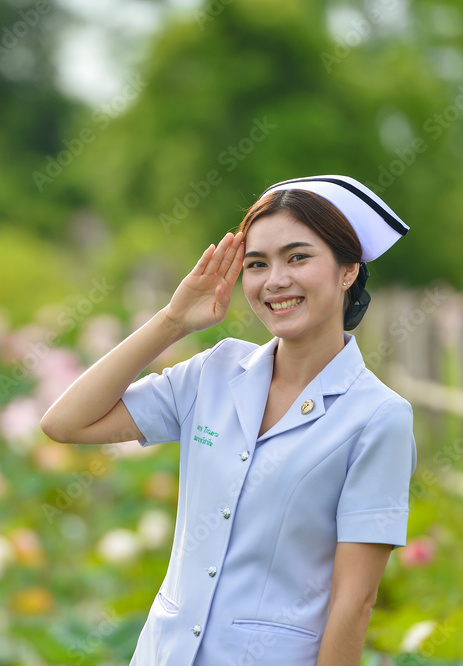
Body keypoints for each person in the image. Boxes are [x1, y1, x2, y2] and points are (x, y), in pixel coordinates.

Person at [40, 175, 416, 665]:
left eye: (298, 257)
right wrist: (172, 321)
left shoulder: (377, 418)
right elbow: (66, 422)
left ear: (348, 271)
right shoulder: (212, 373)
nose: (275, 280)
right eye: (257, 264)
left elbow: (354, 603)